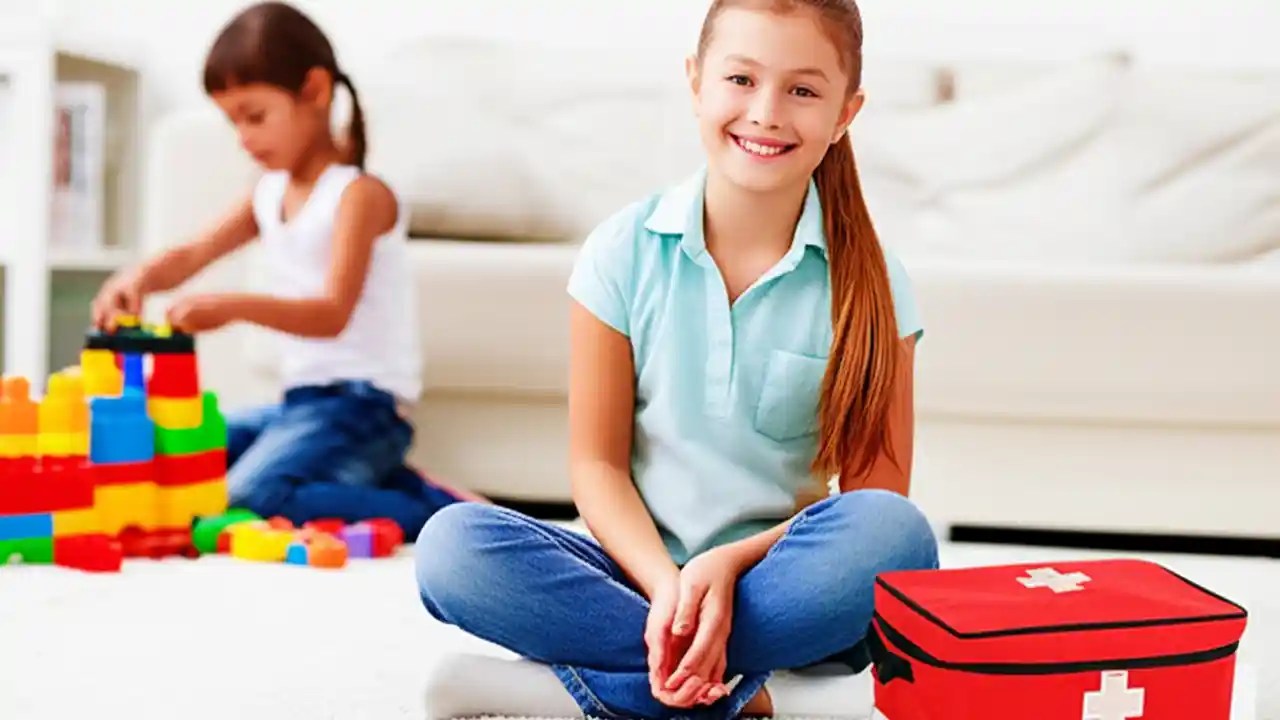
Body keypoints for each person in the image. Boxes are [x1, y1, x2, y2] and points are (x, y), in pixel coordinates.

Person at [413, 0, 939, 717]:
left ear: (847, 112)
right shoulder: (621, 252)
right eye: (741, 79)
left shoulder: (874, 282)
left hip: (778, 582)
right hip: (635, 578)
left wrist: (726, 565)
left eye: (804, 90)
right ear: (696, 83)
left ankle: (578, 689)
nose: (766, 112)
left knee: (895, 540)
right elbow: (597, 466)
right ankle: (744, 692)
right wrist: (669, 588)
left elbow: (876, 500)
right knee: (451, 546)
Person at [90, 1, 468, 539]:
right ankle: (381, 478)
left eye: (255, 116)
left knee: (252, 496)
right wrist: (136, 280)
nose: (243, 137)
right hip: (299, 406)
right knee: (187, 459)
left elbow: (332, 314)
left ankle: (431, 507)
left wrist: (233, 306)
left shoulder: (359, 195)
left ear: (314, 92)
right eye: (232, 122)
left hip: (365, 409)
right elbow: (195, 252)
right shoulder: (268, 192)